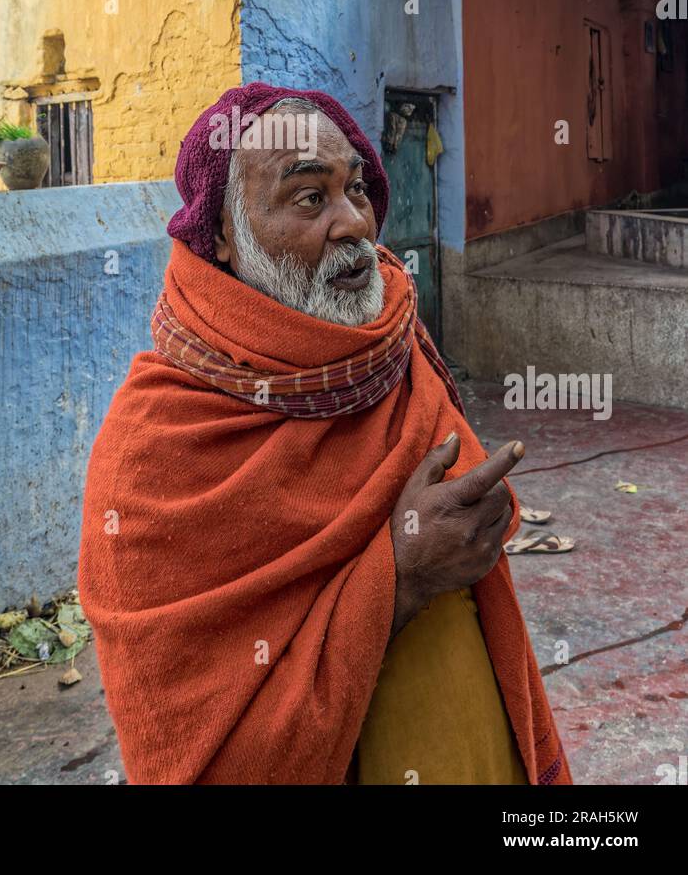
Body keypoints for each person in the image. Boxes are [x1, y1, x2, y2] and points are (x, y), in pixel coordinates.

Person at [78, 82, 571, 786]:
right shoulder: (153, 449)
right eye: (309, 198)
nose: (353, 226)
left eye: (357, 191)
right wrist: (399, 576)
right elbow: (199, 752)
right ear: (220, 235)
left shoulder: (390, 343)